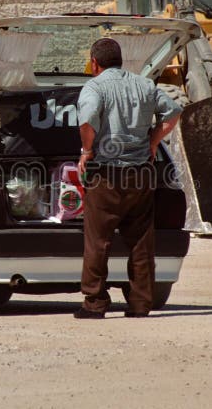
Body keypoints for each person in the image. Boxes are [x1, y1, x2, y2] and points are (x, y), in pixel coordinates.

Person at [75, 38, 182, 319]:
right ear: (120, 60)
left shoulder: (94, 87)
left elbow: (87, 120)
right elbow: (173, 112)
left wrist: (87, 151)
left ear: (94, 63)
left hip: (106, 176)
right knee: (141, 240)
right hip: (141, 175)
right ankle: (140, 304)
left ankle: (95, 303)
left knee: (98, 241)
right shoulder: (145, 84)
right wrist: (154, 142)